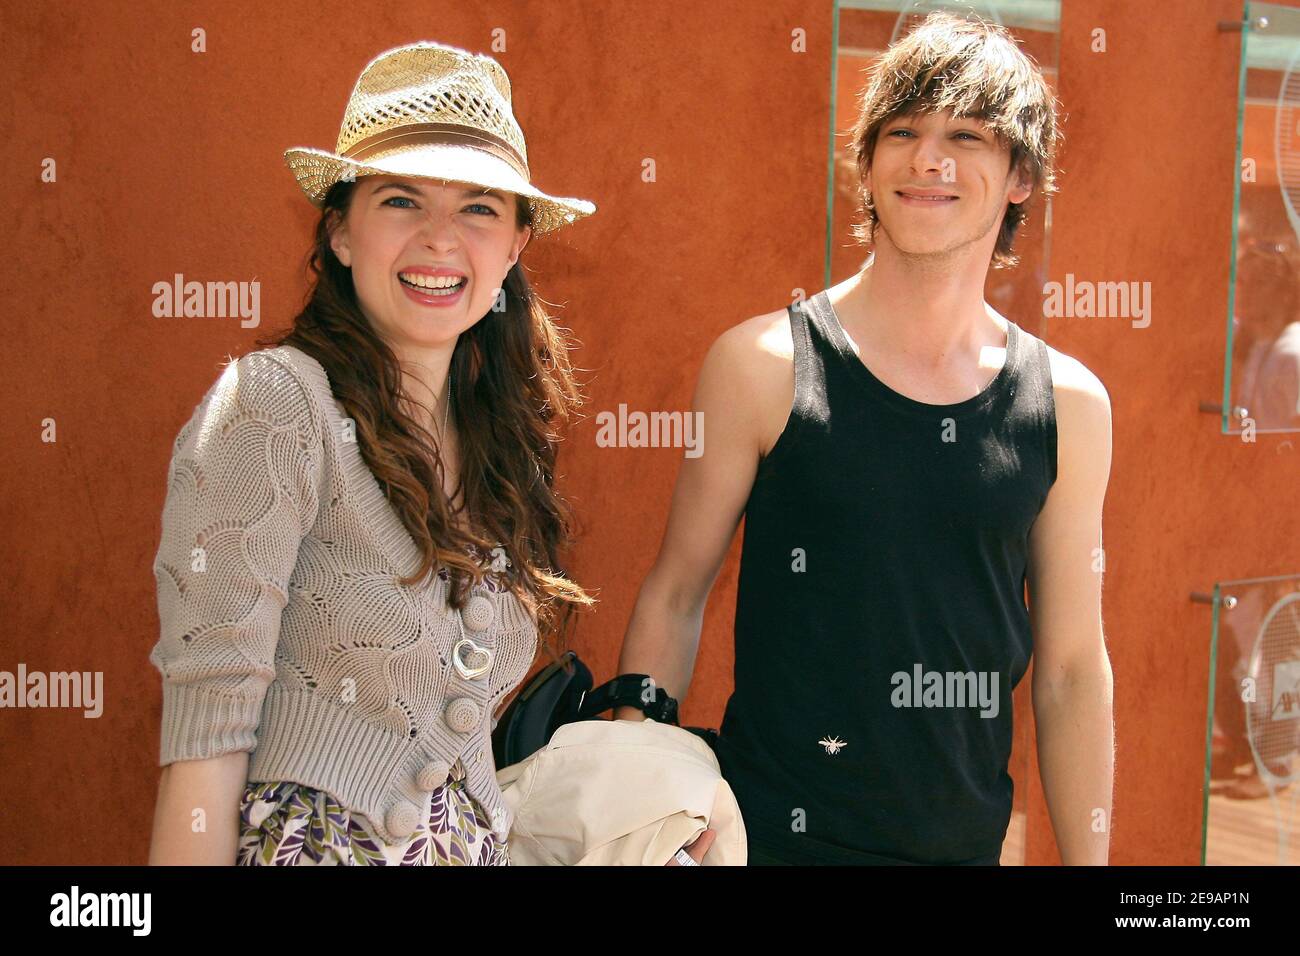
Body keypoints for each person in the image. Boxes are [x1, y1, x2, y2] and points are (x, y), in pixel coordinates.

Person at [146, 40, 713, 866]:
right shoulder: (274, 408)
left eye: (479, 208)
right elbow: (205, 738)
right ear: (341, 232)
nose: (441, 240)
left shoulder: (501, 444)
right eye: (402, 201)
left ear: (516, 247)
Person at [615, 12, 1114, 865]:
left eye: (966, 135)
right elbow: (675, 593)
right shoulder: (762, 365)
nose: (928, 159)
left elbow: (1070, 670)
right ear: (868, 161)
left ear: (1021, 175)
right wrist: (632, 805)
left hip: (963, 848)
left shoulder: (1068, 402)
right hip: (763, 839)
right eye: (903, 132)